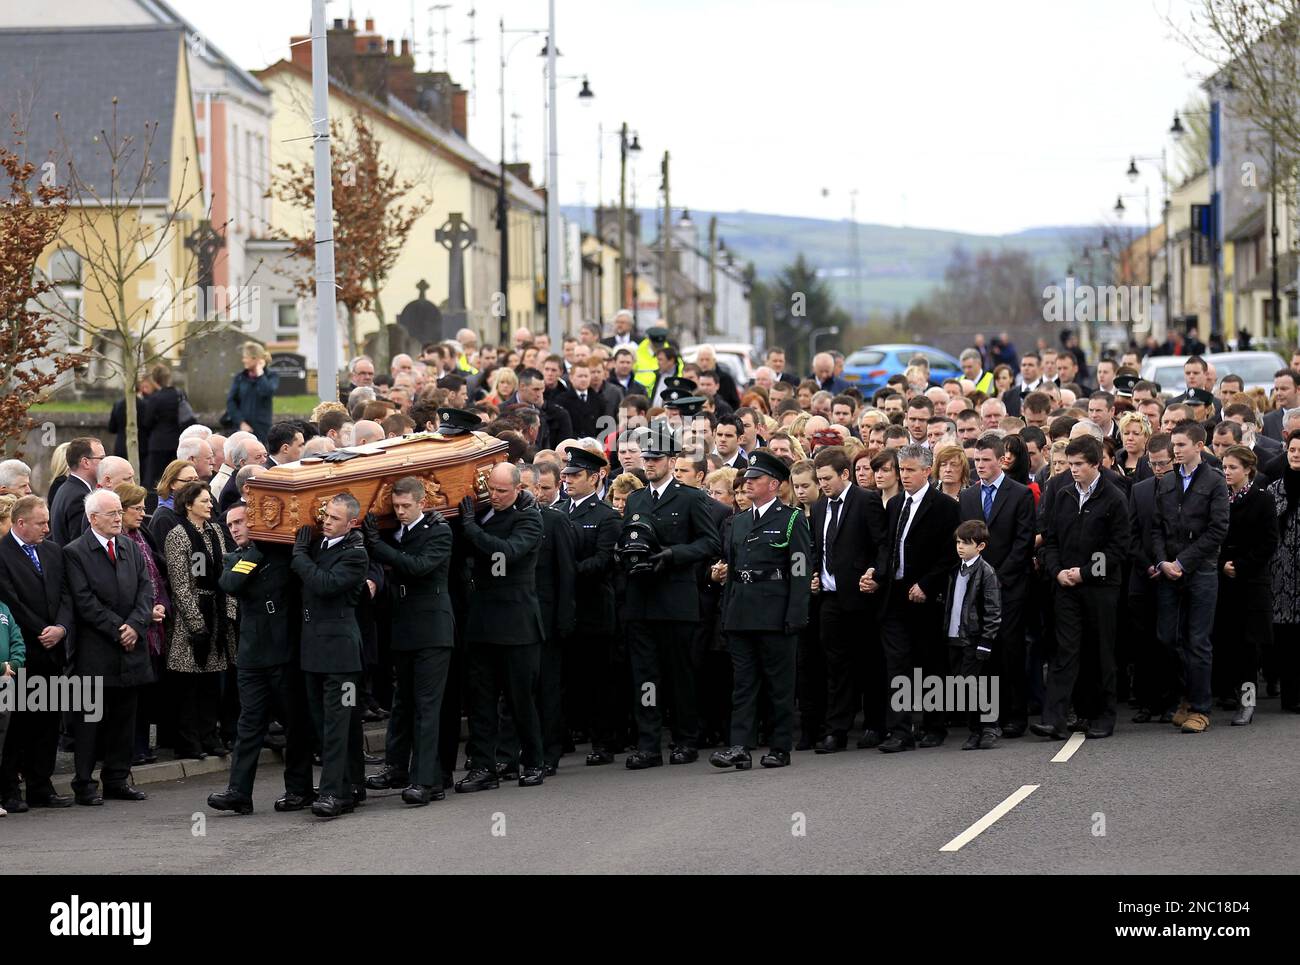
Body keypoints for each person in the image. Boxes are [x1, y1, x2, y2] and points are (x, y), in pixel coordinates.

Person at [620, 426, 722, 768]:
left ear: (672, 460)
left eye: (656, 458)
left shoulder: (691, 497)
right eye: (646, 457)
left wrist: (674, 555)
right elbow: (630, 539)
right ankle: (649, 744)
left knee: (681, 674)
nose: (648, 463)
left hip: (677, 599)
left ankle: (685, 739)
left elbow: (710, 543)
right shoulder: (635, 498)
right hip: (641, 598)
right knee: (645, 676)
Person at [207, 502, 315, 814]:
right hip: (252, 657)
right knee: (249, 725)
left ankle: (299, 790)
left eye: (241, 521)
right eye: (231, 525)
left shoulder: (283, 554)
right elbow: (230, 584)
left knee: (295, 724)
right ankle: (238, 792)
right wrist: (259, 548)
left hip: (284, 654)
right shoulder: (236, 559)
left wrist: (269, 545)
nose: (236, 528)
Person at [708, 451, 811, 770]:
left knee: (779, 685)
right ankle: (739, 745)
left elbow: (800, 571)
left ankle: (780, 746)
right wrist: (727, 615)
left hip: (775, 613)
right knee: (743, 683)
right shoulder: (737, 522)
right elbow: (734, 571)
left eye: (755, 478)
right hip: (741, 614)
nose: (748, 483)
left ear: (775, 484)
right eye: (747, 478)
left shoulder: (791, 519)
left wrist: (795, 615)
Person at [360, 477, 455, 805]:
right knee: (402, 705)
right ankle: (397, 767)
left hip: (432, 631)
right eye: (395, 506)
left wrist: (378, 545)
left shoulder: (439, 531)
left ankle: (427, 781)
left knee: (426, 707)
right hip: (404, 630)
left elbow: (418, 566)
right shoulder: (393, 531)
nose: (400, 512)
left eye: (406, 506)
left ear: (421, 504)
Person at [454, 464, 547, 791]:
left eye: (501, 491)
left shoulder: (529, 518)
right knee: (480, 701)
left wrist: (470, 528)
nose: (494, 496)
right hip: (482, 620)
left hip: (516, 623)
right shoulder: (483, 514)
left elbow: (506, 553)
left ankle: (534, 761)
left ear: (518, 488)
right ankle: (483, 768)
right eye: (490, 489)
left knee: (520, 699)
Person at [1033, 436, 1130, 741]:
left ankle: (1103, 715)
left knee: (1101, 651)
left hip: (1100, 588)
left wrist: (1085, 573)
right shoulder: (1061, 495)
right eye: (1070, 464)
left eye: (1079, 465)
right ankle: (1055, 719)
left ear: (1096, 464)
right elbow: (1050, 540)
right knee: (1065, 652)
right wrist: (1058, 571)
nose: (1073, 470)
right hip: (1065, 587)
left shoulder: (1114, 498)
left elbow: (1118, 549)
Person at [63, 489, 154, 805]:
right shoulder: (76, 552)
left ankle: (117, 778)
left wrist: (137, 625)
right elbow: (85, 602)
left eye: (119, 511)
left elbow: (146, 589)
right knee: (90, 721)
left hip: (130, 650)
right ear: (93, 519)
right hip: (97, 651)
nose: (119, 517)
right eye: (112, 513)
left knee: (123, 719)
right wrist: (120, 629)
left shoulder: (130, 547)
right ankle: (84, 783)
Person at [876, 444, 960, 752]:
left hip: (926, 596)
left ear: (927, 471)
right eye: (901, 470)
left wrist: (927, 584)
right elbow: (889, 545)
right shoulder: (896, 504)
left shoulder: (945, 507)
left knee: (930, 663)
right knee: (896, 663)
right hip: (895, 594)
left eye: (910, 470)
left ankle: (934, 724)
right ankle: (900, 730)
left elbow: (950, 554)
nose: (904, 475)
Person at [291, 494, 370, 818]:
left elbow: (325, 584)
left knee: (337, 724)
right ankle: (353, 785)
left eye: (334, 518)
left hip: (341, 654)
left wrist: (299, 555)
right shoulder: (321, 547)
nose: (326, 521)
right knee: (333, 723)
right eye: (325, 515)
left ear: (351, 523)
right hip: (314, 649)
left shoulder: (355, 554)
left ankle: (333, 794)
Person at [806, 445, 888, 752]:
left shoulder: (866, 501)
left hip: (861, 596)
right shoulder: (817, 508)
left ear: (844, 474)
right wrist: (814, 573)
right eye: (819, 479)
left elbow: (882, 545)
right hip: (829, 598)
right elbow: (817, 547)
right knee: (835, 666)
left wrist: (875, 574)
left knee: (868, 662)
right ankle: (836, 730)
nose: (823, 484)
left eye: (827, 478)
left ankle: (874, 725)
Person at [1152, 422, 1229, 734]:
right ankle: (1185, 696)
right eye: (1174, 445)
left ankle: (1200, 707)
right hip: (1170, 570)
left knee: (1198, 640)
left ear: (1199, 446)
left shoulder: (1215, 481)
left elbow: (1218, 529)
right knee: (1167, 638)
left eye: (1181, 445)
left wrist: (1184, 561)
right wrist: (1163, 560)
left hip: (1202, 570)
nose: (1176, 450)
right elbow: (1156, 527)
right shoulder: (1167, 481)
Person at [0, 496, 74, 812]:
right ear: (20, 524)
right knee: (17, 725)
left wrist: (61, 627)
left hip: (53, 651)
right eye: (41, 523)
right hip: (24, 653)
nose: (47, 527)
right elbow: (10, 600)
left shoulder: (53, 551)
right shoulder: (2, 555)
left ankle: (40, 786)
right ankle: (10, 790)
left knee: (47, 722)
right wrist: (41, 629)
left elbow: (66, 594)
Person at [960, 434, 1036, 737]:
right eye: (977, 461)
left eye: (986, 460)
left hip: (1010, 587)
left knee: (1010, 651)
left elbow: (1023, 541)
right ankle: (988, 715)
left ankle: (1015, 715)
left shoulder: (1020, 494)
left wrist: (997, 579)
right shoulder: (967, 497)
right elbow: (963, 542)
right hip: (976, 590)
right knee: (983, 654)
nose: (980, 466)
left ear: (1002, 460)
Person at [163, 482, 237, 760]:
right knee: (188, 685)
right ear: (189, 504)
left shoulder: (216, 531)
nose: (210, 505)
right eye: (204, 501)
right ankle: (188, 741)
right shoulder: (178, 535)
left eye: (210, 500)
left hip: (216, 611)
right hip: (190, 618)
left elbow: (225, 568)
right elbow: (180, 584)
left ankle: (210, 735)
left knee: (211, 682)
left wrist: (227, 610)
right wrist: (195, 623)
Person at [559, 449, 622, 766]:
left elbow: (601, 561)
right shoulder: (558, 510)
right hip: (562, 610)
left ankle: (603, 741)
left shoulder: (606, 516)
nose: (567, 480)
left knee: (599, 680)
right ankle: (563, 737)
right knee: (564, 678)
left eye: (575, 475)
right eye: (566, 474)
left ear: (595, 477)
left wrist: (563, 573)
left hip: (593, 608)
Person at [1214, 446, 1278, 726]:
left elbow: (1268, 542)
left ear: (1248, 470)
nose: (1227, 472)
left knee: (1249, 646)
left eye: (1233, 468)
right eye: (1224, 467)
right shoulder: (1218, 497)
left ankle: (1248, 701)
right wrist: (1221, 565)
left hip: (1251, 581)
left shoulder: (1262, 500)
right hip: (1221, 579)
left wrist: (1239, 565)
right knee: (1225, 639)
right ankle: (1226, 694)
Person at [115, 484, 169, 767]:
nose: (143, 513)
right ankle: (133, 748)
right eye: (136, 508)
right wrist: (145, 613)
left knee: (149, 687)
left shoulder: (141, 534)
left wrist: (161, 605)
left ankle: (143, 745)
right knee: (133, 691)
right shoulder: (121, 540)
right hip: (135, 625)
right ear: (121, 510)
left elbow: (156, 576)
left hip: (153, 623)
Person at [944, 520, 1002, 749]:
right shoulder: (955, 570)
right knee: (964, 686)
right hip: (955, 636)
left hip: (974, 638)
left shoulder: (986, 572)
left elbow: (993, 609)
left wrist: (986, 640)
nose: (960, 547)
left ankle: (987, 728)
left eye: (966, 543)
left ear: (980, 547)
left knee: (974, 685)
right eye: (958, 542)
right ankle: (976, 730)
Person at [1266, 430, 1300, 712]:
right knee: (1287, 640)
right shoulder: (1274, 489)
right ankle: (1290, 696)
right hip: (1281, 574)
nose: (1296, 454)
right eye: (1292, 450)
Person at [49, 436, 104, 546]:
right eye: (101, 458)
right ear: (86, 462)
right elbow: (80, 545)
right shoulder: (79, 497)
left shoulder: (67, 488)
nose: (105, 463)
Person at [139, 363, 184, 490]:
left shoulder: (155, 398)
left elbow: (147, 422)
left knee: (153, 478)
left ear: (154, 379)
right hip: (176, 440)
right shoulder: (178, 394)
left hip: (158, 442)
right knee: (173, 476)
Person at [226, 342, 280, 443]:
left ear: (255, 358)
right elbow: (231, 402)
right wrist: (241, 422)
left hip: (262, 429)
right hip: (243, 428)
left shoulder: (271, 376)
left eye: (246, 357)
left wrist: (260, 373)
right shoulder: (240, 377)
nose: (243, 360)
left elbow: (267, 391)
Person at [149, 459, 200, 546]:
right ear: (172, 484)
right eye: (188, 481)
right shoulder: (164, 518)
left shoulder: (194, 511)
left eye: (196, 480)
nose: (194, 486)